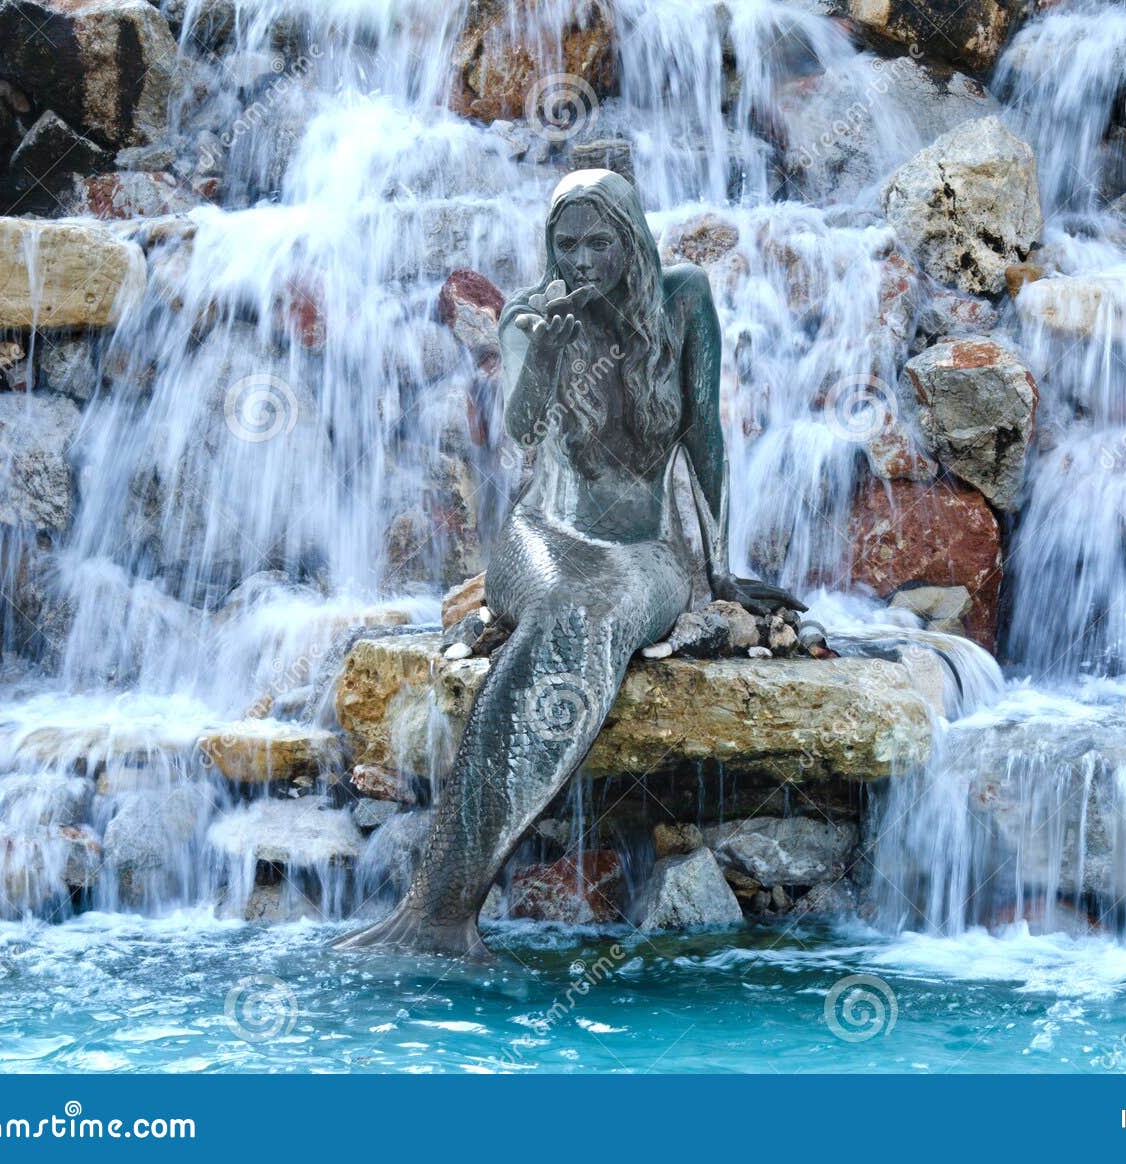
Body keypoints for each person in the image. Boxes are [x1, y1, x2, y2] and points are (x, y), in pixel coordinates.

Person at [337, 170, 800, 956]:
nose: (582, 260)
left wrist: (719, 574)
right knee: (562, 607)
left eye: (599, 242)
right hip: (544, 537)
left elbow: (705, 437)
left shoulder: (684, 299)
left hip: (644, 552)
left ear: (632, 238)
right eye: (567, 244)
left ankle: (443, 909)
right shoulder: (530, 314)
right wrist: (547, 360)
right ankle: (441, 906)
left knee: (590, 612)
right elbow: (521, 432)